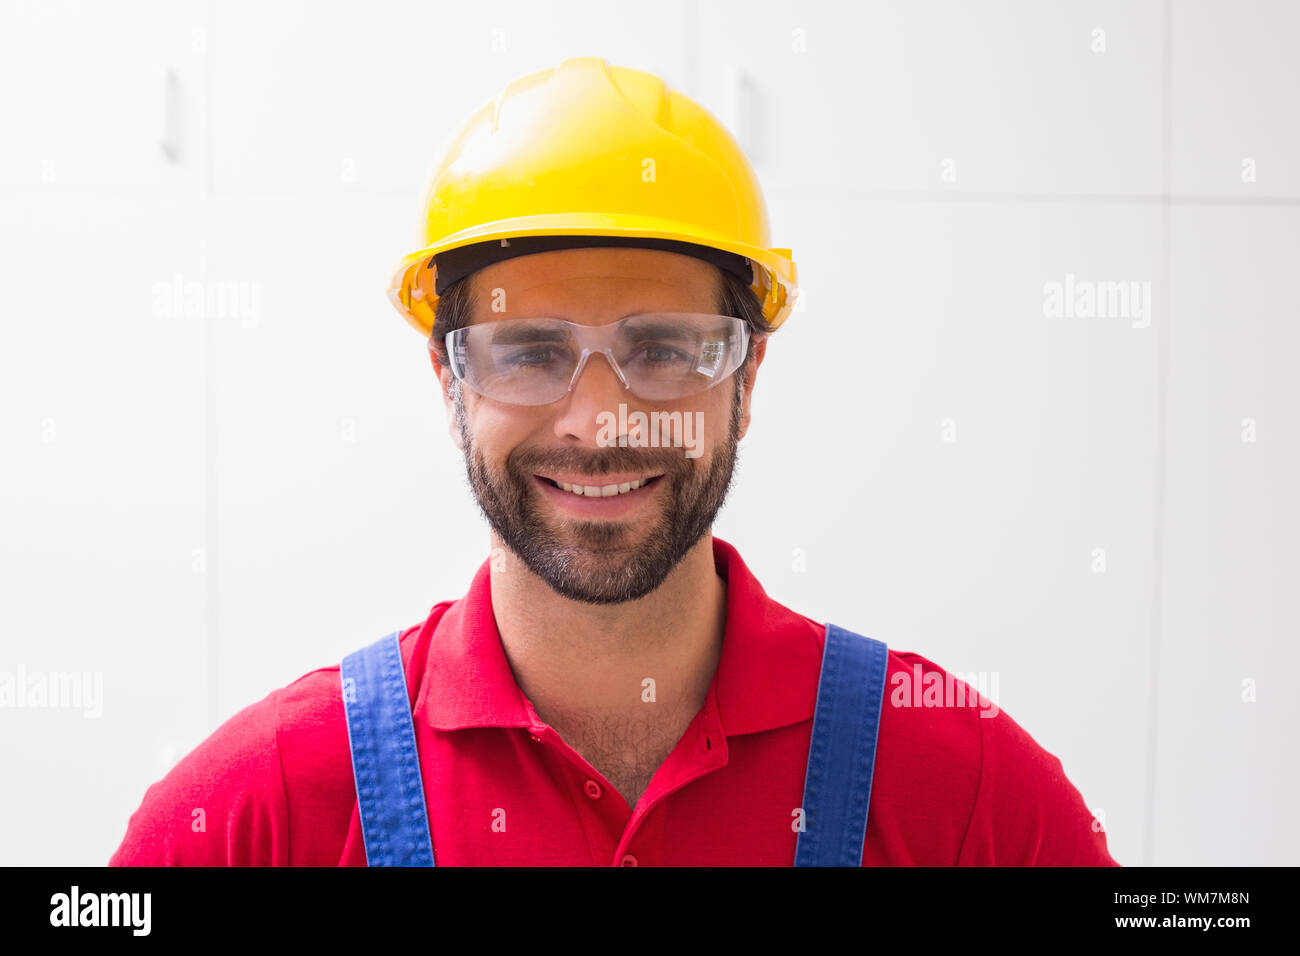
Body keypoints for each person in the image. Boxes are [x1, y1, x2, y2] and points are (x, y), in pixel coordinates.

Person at [109, 57, 1118, 866]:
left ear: (747, 375)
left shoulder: (967, 796)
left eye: (664, 348)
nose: (598, 422)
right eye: (531, 350)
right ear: (448, 379)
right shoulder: (257, 811)